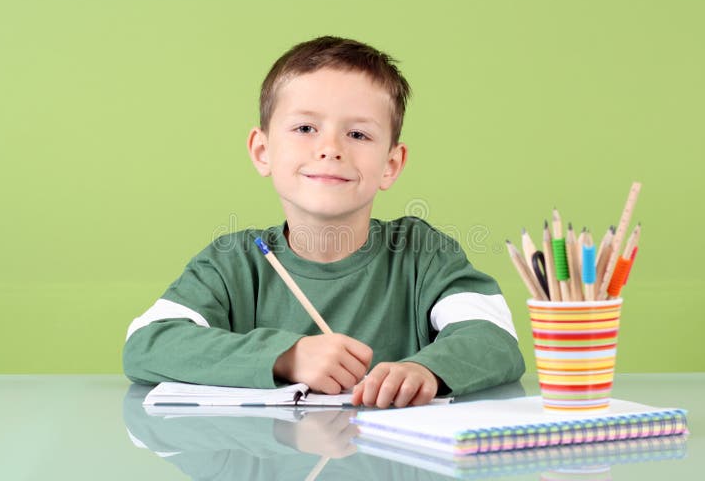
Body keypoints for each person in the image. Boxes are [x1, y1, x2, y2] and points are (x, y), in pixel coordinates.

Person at [122, 36, 525, 408]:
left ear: (391, 164)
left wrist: (425, 371)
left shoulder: (422, 254)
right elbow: (147, 343)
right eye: (305, 128)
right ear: (263, 151)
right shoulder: (232, 263)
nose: (330, 148)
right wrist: (286, 357)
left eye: (358, 134)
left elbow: (494, 338)